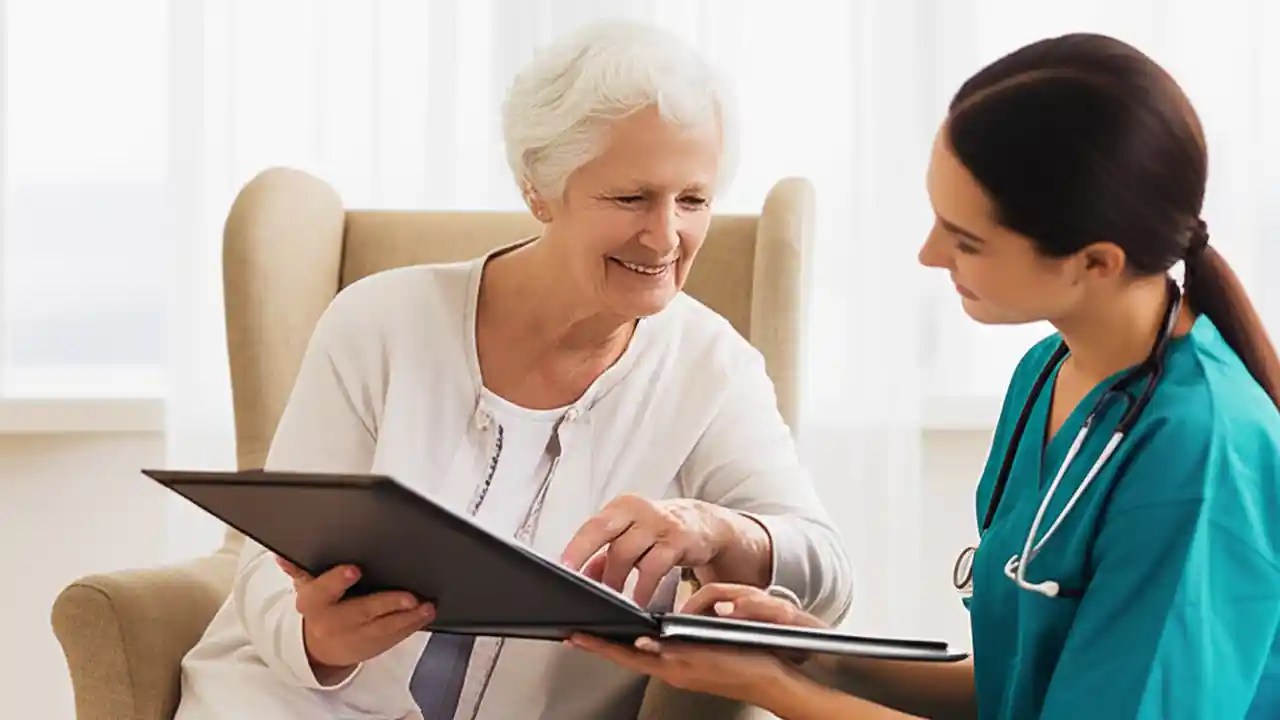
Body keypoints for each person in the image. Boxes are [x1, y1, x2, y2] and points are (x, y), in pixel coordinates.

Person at [572, 32, 1280, 719]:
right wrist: (807, 651)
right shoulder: (1049, 374)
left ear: (1096, 262)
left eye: (966, 239)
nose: (929, 254)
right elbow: (1014, 689)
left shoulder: (1201, 453)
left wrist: (782, 692)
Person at [173, 20, 853, 720]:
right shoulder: (380, 321)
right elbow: (266, 562)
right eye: (630, 198)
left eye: (693, 199)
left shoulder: (713, 369)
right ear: (538, 190)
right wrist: (318, 638)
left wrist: (719, 530)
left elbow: (827, 577)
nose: (665, 235)